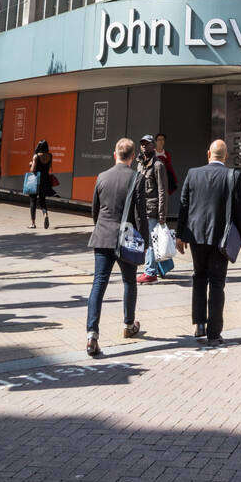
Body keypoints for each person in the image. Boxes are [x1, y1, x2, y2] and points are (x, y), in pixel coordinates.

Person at [175, 139, 241, 346]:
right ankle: (214, 333)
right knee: (217, 283)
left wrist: (180, 234)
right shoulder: (233, 175)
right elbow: (240, 208)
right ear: (225, 157)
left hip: (196, 235)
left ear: (209, 154)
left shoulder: (193, 173)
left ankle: (199, 325)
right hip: (220, 237)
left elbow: (183, 205)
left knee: (199, 277)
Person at [86, 137, 149, 357]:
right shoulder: (137, 178)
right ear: (132, 157)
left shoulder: (102, 177)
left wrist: (101, 229)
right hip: (126, 240)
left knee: (98, 284)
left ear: (115, 154)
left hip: (102, 236)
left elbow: (95, 210)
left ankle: (92, 334)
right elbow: (141, 216)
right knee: (129, 281)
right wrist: (145, 243)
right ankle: (128, 324)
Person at [136, 134, 172, 283]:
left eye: (148, 143)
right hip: (142, 209)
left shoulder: (158, 165)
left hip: (152, 210)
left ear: (153, 146)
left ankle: (150, 272)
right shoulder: (140, 164)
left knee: (150, 242)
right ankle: (162, 267)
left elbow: (163, 191)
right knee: (153, 241)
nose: (144, 146)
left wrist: (162, 215)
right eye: (142, 143)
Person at [28, 139, 56, 230]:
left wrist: (31, 164)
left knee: (33, 201)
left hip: (36, 181)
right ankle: (45, 215)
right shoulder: (50, 156)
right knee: (42, 200)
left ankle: (33, 223)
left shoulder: (36, 156)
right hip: (45, 181)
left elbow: (33, 170)